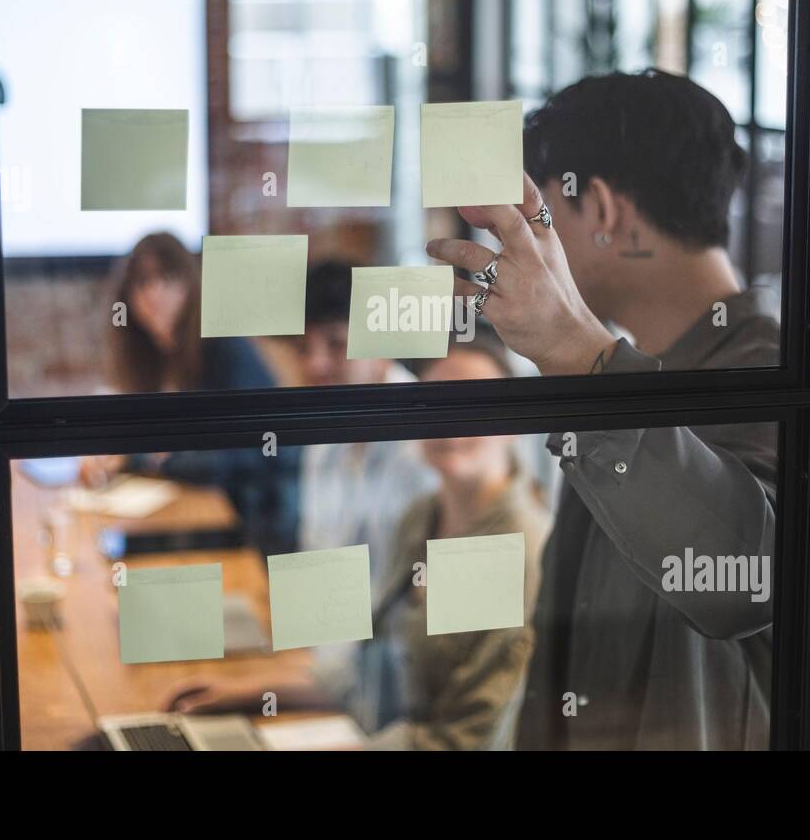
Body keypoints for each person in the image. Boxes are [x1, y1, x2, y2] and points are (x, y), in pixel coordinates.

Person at [424, 69, 810, 749]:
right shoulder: (638, 371)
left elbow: (740, 582)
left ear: (603, 212)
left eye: (540, 214)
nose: (523, 246)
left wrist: (577, 353)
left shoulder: (787, 379)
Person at [169, 329, 549, 750]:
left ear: (517, 421)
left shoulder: (516, 545)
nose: (451, 422)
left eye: (474, 404)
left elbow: (468, 740)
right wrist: (252, 692)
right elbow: (365, 671)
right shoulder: (421, 517)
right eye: (436, 402)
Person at [77, 232, 300, 556]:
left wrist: (144, 457)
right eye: (142, 283)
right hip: (186, 515)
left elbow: (237, 456)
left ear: (191, 286)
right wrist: (110, 452)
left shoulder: (226, 348)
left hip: (248, 518)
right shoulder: (148, 359)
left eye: (168, 279)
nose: (155, 294)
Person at [293, 260, 439, 703]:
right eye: (304, 348)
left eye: (336, 344)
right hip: (334, 684)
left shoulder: (430, 446)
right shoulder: (323, 437)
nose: (315, 364)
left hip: (407, 698)